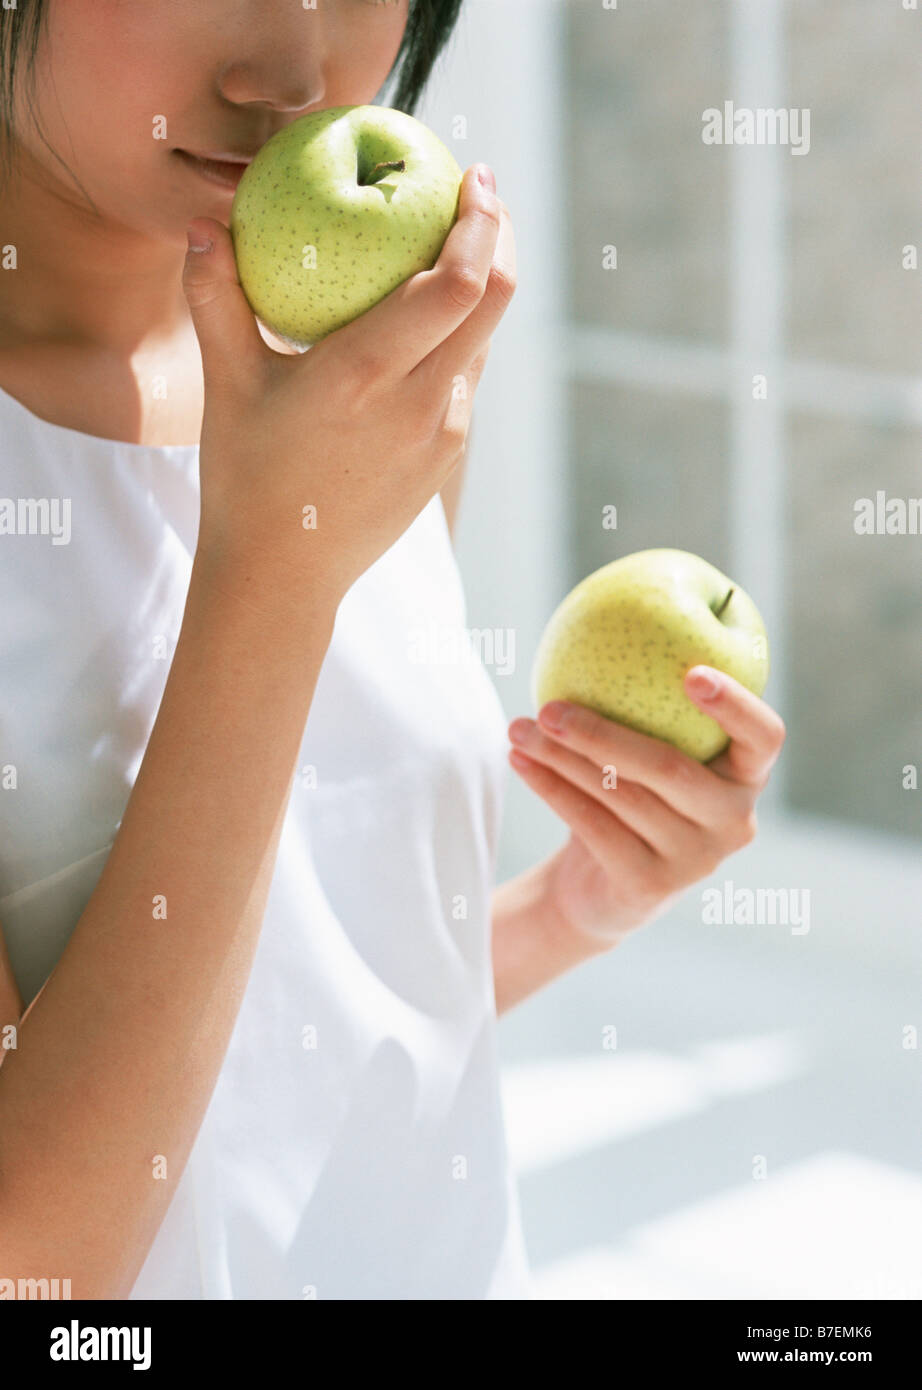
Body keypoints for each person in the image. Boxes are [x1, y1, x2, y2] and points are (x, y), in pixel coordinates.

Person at [0, 0, 785, 1301]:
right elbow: (37, 1264)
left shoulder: (356, 370)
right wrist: (275, 567)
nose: (291, 75)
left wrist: (568, 911)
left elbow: (299, 1010)